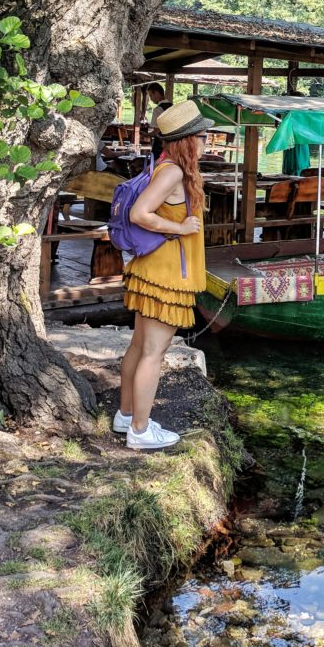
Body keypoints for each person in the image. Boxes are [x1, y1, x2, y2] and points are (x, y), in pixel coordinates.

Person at [114, 100, 213, 449]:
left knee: (140, 347)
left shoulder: (166, 166)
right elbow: (141, 213)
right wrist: (181, 228)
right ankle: (140, 431)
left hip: (152, 271)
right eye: (204, 136)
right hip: (164, 275)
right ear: (188, 139)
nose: (208, 143)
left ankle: (126, 415)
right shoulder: (173, 172)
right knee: (154, 353)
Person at [148, 85, 171, 158]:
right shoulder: (173, 107)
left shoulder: (158, 109)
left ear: (157, 93)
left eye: (151, 95)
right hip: (172, 145)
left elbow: (156, 131)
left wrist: (146, 134)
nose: (151, 99)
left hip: (160, 146)